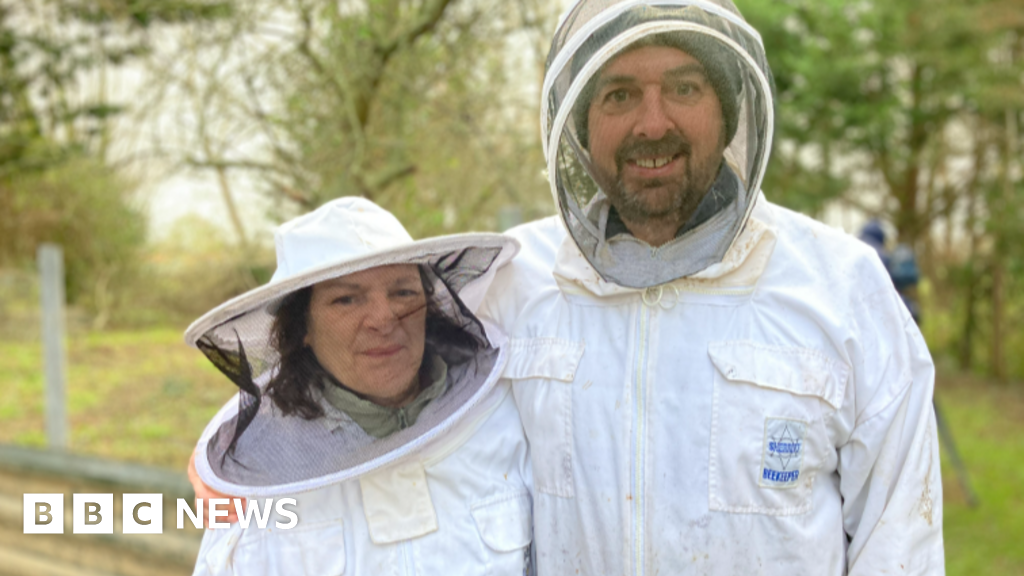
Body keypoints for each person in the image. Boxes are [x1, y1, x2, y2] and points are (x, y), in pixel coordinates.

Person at [191, 1, 945, 574]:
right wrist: (257, 506)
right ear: (578, 126)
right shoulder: (515, 282)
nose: (654, 122)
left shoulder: (844, 291)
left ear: (732, 105)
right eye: (618, 95)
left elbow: (900, 541)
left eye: (683, 86)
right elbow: (356, 383)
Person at [187, 197, 533, 575]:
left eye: (403, 292)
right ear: (302, 328)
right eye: (347, 299)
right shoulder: (257, 481)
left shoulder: (510, 419)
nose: (384, 319)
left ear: (429, 306)